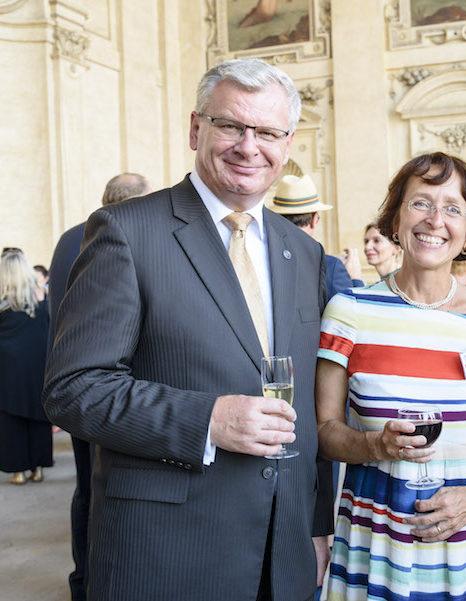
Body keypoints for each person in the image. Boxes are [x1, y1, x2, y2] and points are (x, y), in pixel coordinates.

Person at [43, 58, 333, 601]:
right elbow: (73, 389)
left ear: (288, 143)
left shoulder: (306, 253)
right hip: (168, 553)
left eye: (267, 132)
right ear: (197, 128)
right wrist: (209, 421)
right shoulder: (127, 233)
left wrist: (314, 524)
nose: (250, 147)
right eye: (232, 126)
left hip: (283, 551)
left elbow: (311, 409)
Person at [316, 152, 466, 601]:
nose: (435, 220)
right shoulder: (349, 312)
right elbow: (325, 431)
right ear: (396, 219)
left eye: (452, 208)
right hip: (379, 540)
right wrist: (374, 445)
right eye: (420, 203)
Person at [47, 171, 151, 601]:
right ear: (133, 203)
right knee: (108, 485)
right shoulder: (121, 236)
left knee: (85, 486)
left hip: (73, 382)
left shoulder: (68, 239)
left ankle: (81, 578)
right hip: (113, 387)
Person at [0, 248, 51, 485]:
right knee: (38, 416)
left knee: (11, 420)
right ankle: (38, 468)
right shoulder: (42, 298)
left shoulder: (3, 304)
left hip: (8, 371)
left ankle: (19, 471)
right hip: (38, 368)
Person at [272, 173, 365, 297]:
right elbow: (353, 313)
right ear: (314, 220)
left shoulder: (263, 261)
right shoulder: (330, 267)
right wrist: (356, 280)